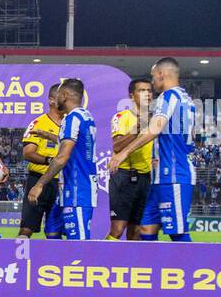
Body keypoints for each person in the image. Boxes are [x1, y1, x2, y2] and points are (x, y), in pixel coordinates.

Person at [108, 57, 197, 241]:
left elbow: (155, 128)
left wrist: (124, 152)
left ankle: (190, 269)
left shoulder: (170, 96)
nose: (153, 81)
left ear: (161, 74)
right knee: (146, 230)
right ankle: (153, 268)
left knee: (177, 232)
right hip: (159, 177)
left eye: (153, 76)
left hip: (174, 174)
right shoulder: (185, 99)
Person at [28, 79, 96, 241]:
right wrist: (49, 136)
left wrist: (39, 184)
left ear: (64, 95)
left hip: (77, 189)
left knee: (79, 242)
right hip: (70, 188)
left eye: (58, 95)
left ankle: (81, 265)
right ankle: (57, 264)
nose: (55, 99)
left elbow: (62, 156)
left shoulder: (71, 118)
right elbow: (74, 143)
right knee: (52, 229)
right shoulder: (85, 116)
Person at [107, 78, 155, 240]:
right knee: (118, 229)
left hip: (145, 178)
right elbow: (117, 146)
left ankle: (129, 264)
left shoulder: (157, 120)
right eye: (142, 90)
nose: (147, 94)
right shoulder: (121, 117)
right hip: (123, 177)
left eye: (149, 90)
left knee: (136, 232)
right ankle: (103, 260)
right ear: (132, 96)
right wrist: (137, 129)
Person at [17, 83, 64, 239]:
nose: (66, 99)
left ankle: (54, 262)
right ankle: (15, 261)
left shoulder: (70, 124)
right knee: (27, 228)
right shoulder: (39, 123)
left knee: (55, 231)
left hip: (62, 183)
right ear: (51, 100)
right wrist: (49, 160)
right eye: (62, 96)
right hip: (38, 180)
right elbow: (28, 153)